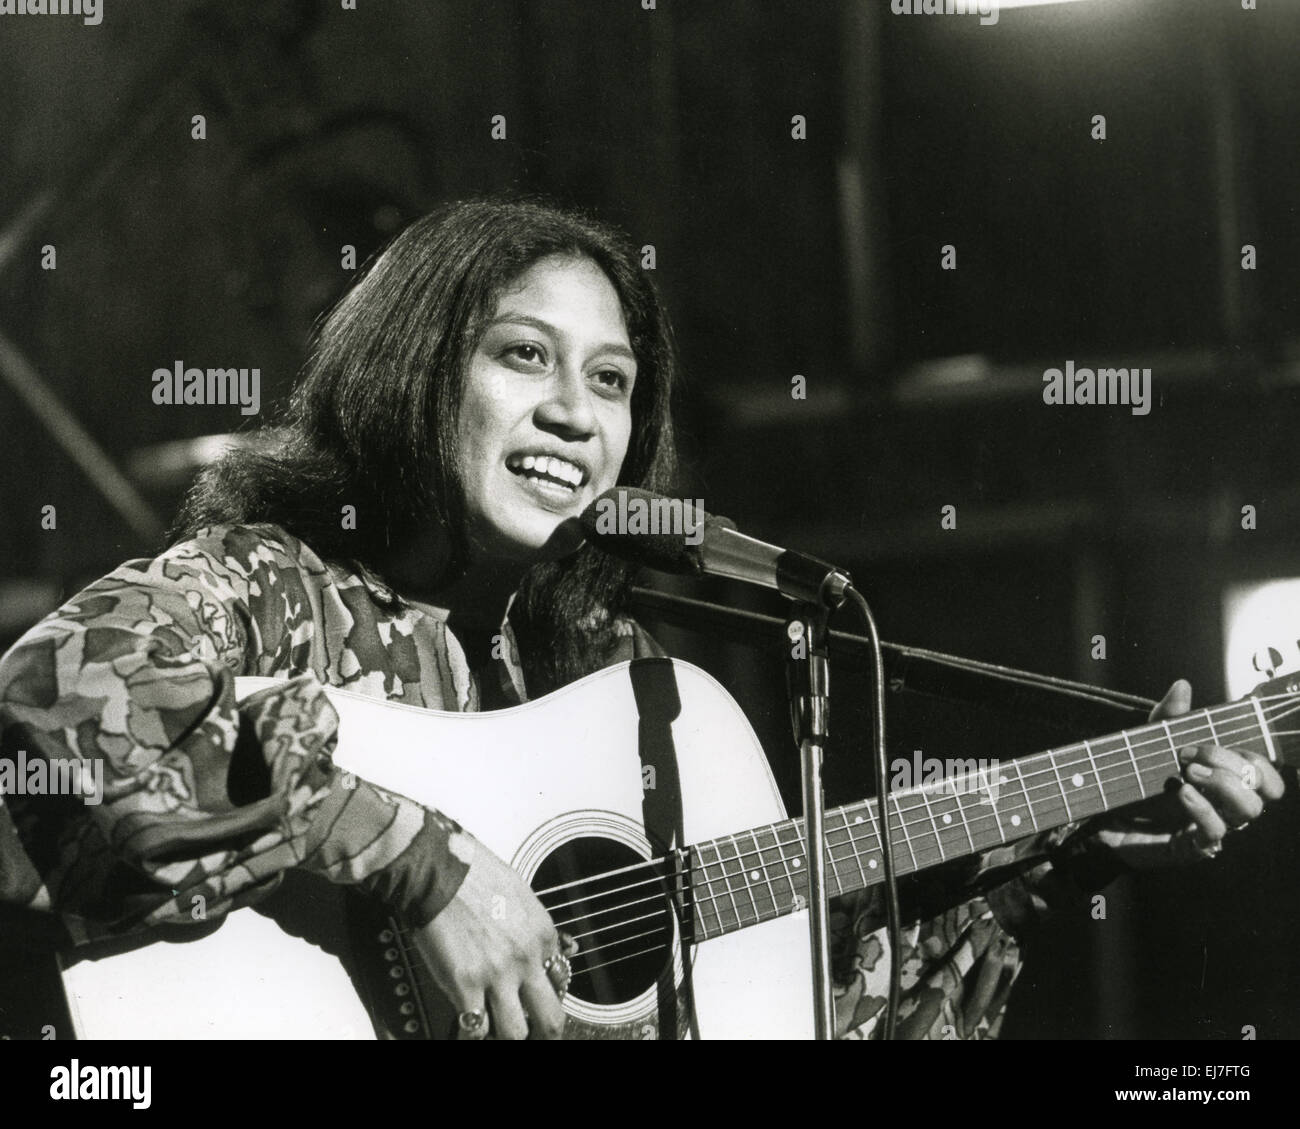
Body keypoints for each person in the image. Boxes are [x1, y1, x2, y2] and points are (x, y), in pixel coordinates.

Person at [0, 198, 1285, 1040]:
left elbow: (814, 1019)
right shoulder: (270, 583)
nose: (576, 412)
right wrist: (421, 864)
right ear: (411, 369)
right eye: (523, 356)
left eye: (610, 382)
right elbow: (57, 713)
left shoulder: (632, 689)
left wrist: (1067, 857)